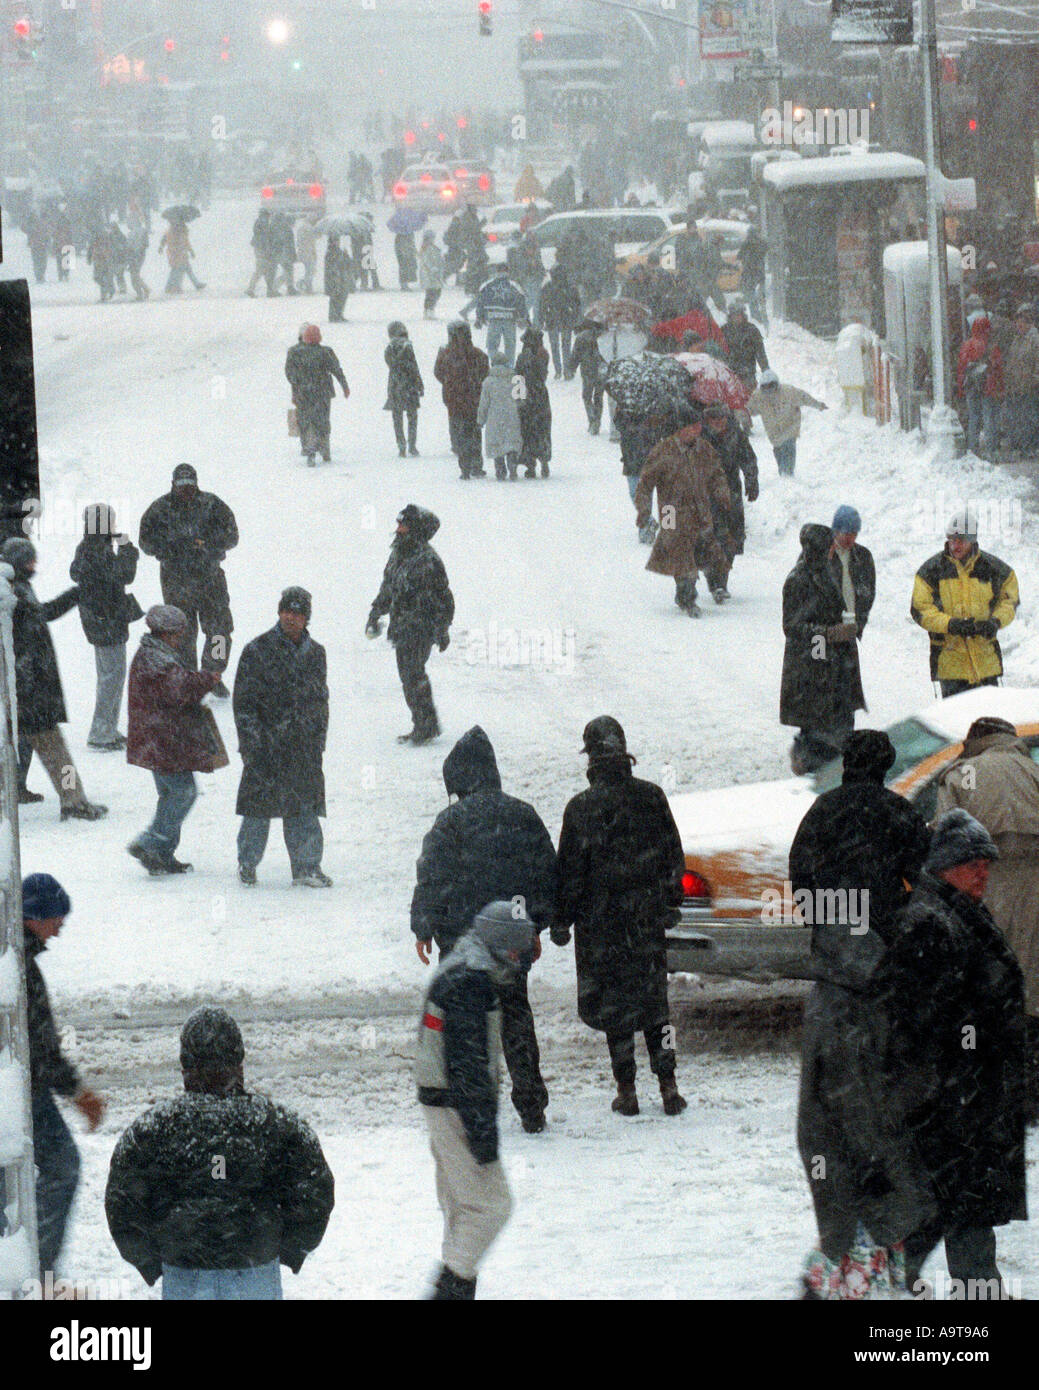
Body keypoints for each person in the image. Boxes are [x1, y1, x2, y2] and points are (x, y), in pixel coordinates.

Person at [789, 732, 932, 1299]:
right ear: (887, 765)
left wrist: (829, 926)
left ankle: (845, 1253)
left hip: (835, 972)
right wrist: (889, 924)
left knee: (833, 1102)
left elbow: (800, 881)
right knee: (880, 1100)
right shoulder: (899, 812)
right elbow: (921, 883)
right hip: (883, 973)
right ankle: (880, 1245)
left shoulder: (821, 811)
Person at [871, 810, 1028, 1297]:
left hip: (962, 1102)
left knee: (946, 1215)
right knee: (959, 1214)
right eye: (972, 862)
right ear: (943, 866)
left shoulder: (958, 912)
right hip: (952, 1105)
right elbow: (927, 1026)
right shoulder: (931, 924)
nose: (984, 871)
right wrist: (960, 1090)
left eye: (987, 862)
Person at [105, 1007, 334, 1300]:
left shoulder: (152, 1130)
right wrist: (288, 1251)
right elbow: (314, 1192)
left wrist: (151, 1262)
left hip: (184, 1276)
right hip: (257, 1272)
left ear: (185, 1066)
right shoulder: (278, 1125)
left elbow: (122, 1203)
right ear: (239, 1062)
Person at [412, 728, 557, 1132]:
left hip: (462, 943)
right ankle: (531, 1105)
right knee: (515, 1018)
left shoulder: (450, 822)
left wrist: (424, 925)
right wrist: (535, 927)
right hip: (510, 941)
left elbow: (432, 876)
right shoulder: (522, 815)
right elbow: (545, 874)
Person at [552, 717, 687, 1117]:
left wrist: (561, 919)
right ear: (624, 752)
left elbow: (569, 873)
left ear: (591, 757)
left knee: (616, 1011)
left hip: (601, 926)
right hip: (644, 920)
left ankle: (626, 1091)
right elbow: (673, 857)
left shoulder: (580, 808)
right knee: (655, 1008)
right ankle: (669, 1087)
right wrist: (669, 900)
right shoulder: (652, 796)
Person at [416, 903, 535, 1299]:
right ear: (501, 946)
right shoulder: (471, 984)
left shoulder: (461, 968)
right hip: (454, 1106)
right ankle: (449, 1291)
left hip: (441, 1101)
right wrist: (482, 1133)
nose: (521, 961)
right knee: (490, 1207)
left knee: (462, 1208)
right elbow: (468, 1067)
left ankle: (456, 1288)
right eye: (518, 952)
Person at [935, 715, 1039, 1120]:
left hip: (984, 883)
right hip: (1035, 888)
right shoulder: (1033, 771)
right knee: (1031, 984)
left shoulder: (962, 774)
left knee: (987, 984)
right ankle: (1032, 1087)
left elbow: (946, 838)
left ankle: (993, 1088)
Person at [18, 875, 105, 1278]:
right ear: (35, 915)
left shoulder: (15, 959)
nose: (60, 927)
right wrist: (78, 1093)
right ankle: (35, 1267)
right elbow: (42, 1048)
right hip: (20, 1091)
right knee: (62, 1165)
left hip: (16, 1085)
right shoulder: (20, 970)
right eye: (56, 918)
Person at [2, 537, 106, 819]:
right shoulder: (14, 592)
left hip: (23, 690)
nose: (34, 564)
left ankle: (20, 791)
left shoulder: (14, 588)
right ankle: (74, 802)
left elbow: (39, 616)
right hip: (31, 690)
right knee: (56, 752)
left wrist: (74, 595)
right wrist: (75, 595)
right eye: (30, 560)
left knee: (24, 746)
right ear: (20, 563)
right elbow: (37, 620)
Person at [234, 588, 331, 888]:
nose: (291, 617)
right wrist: (252, 744)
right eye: (287, 611)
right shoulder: (256, 650)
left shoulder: (316, 653)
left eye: (298, 613)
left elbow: (320, 701)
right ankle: (247, 863)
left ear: (306, 618)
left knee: (303, 809)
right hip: (265, 746)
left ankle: (307, 867)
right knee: (257, 812)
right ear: (279, 612)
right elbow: (244, 704)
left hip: (302, 747)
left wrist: (317, 741)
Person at [126, 605, 223, 875]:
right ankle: (151, 842)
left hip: (158, 738)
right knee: (183, 793)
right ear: (167, 632)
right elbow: (179, 690)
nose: (182, 635)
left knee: (170, 794)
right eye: (179, 631)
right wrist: (206, 680)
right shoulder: (157, 660)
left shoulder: (154, 654)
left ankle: (162, 855)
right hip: (163, 740)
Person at [139, 464, 239, 689]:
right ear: (173, 484)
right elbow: (145, 541)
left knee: (220, 631)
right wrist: (171, 547)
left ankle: (212, 674)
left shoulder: (212, 505)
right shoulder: (159, 509)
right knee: (181, 633)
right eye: (182, 485)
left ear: (197, 484)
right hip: (176, 582)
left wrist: (208, 544)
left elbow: (232, 535)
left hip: (210, 579)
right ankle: (188, 678)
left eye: (190, 485)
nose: (186, 490)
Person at [781, 523, 868, 775]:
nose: (833, 549)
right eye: (829, 545)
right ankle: (811, 765)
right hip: (812, 664)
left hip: (834, 662)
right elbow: (793, 628)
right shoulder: (798, 579)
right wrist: (828, 634)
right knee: (818, 723)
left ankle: (830, 764)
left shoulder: (825, 571)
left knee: (837, 719)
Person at [365, 505, 454, 745]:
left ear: (413, 529)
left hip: (421, 629)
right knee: (410, 676)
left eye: (403, 525)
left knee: (413, 674)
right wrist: (376, 612)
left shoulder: (428, 559)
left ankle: (425, 725)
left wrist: (442, 629)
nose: (398, 529)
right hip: (403, 626)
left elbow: (443, 597)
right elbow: (388, 586)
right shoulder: (398, 554)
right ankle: (425, 723)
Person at [910, 508, 1019, 698]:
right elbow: (920, 609)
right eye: (952, 539)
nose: (955, 545)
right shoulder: (931, 571)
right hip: (950, 669)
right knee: (956, 725)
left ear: (973, 540)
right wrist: (950, 624)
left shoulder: (994, 569)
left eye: (961, 539)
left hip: (987, 666)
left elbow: (1009, 600)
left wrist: (995, 621)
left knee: (989, 724)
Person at [634, 415, 734, 616]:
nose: (695, 431)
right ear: (679, 430)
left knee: (709, 549)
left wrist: (722, 494)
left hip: (699, 508)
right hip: (670, 511)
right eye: (690, 428)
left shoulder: (703, 449)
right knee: (679, 552)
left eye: (697, 427)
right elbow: (645, 484)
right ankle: (686, 597)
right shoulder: (663, 451)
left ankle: (717, 585)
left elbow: (716, 474)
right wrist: (644, 511)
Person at [69, 505, 143, 751]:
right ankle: (101, 734)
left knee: (110, 676)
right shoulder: (98, 550)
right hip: (107, 621)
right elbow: (124, 575)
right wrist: (127, 549)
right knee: (112, 677)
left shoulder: (87, 547)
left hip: (99, 620)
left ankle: (107, 729)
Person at [700, 401, 758, 596]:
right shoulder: (698, 435)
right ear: (707, 419)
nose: (718, 422)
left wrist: (752, 480)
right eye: (714, 418)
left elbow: (748, 457)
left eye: (722, 418)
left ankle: (722, 578)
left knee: (733, 536)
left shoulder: (736, 433)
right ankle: (714, 577)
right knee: (714, 535)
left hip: (731, 490)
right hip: (706, 492)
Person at [284, 324, 350, 465]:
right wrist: (344, 386)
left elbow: (289, 373)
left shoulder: (294, 352)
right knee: (323, 420)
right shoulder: (326, 352)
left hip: (303, 393)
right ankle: (325, 448)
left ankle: (310, 451)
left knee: (307, 421)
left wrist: (298, 383)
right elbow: (336, 370)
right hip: (323, 392)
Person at [434, 320, 489, 480]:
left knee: (458, 429)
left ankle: (464, 464)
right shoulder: (477, 354)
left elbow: (438, 372)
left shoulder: (446, 354)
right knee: (475, 431)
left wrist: (449, 383)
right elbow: (485, 371)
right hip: (474, 398)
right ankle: (477, 465)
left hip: (454, 399)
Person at [746, 369, 826, 477]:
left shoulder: (789, 392)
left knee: (789, 449)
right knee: (779, 452)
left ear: (777, 385)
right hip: (774, 433)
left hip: (790, 428)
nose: (769, 390)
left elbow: (804, 397)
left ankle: (788, 474)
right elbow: (749, 410)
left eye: (772, 386)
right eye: (766, 387)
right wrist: (742, 415)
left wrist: (818, 405)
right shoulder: (758, 397)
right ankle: (783, 475)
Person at [956, 314, 1004, 459]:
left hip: (972, 387)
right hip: (988, 386)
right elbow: (998, 368)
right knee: (989, 417)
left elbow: (961, 368)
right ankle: (991, 449)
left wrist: (960, 388)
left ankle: (973, 449)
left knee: (973, 418)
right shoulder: (991, 346)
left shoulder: (967, 345)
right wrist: (1000, 387)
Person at [477, 350, 524, 479]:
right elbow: (522, 399)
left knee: (497, 444)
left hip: (494, 417)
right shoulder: (516, 379)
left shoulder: (488, 382)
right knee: (511, 442)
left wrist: (480, 420)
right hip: (512, 415)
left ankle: (500, 469)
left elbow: (484, 403)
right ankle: (512, 463)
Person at [1000, 304, 1039, 458]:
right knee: (1019, 417)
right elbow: (1011, 361)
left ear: (1028, 323)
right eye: (1017, 323)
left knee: (1030, 417)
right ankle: (1022, 445)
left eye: (1021, 323)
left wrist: (1035, 379)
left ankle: (1030, 447)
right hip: (1017, 386)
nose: (1018, 326)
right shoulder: (1017, 340)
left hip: (1030, 385)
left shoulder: (1035, 340)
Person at [514, 326, 552, 478]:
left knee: (527, 430)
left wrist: (517, 397)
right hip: (541, 396)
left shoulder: (523, 357)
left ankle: (530, 465)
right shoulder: (543, 355)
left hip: (526, 396)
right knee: (542, 429)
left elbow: (517, 377)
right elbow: (542, 376)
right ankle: (544, 461)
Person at [474, 262, 528, 367]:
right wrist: (523, 317)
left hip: (493, 319)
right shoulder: (514, 286)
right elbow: (521, 302)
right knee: (510, 346)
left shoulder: (487, 285)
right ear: (508, 272)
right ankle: (509, 367)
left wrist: (479, 318)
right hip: (510, 320)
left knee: (492, 346)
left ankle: (495, 365)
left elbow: (480, 302)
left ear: (496, 271)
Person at [384, 321, 423, 458]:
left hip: (395, 386)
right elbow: (414, 367)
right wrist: (420, 384)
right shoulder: (407, 347)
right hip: (410, 386)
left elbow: (392, 365)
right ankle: (412, 446)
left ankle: (401, 446)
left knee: (397, 417)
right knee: (412, 416)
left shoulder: (389, 348)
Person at [539, 262, 581, 379]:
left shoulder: (547, 287)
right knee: (566, 346)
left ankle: (558, 370)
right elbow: (577, 304)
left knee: (554, 346)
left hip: (552, 318)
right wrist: (575, 318)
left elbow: (542, 304)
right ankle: (567, 370)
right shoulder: (570, 287)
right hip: (566, 318)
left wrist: (541, 318)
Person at [570, 315, 606, 434]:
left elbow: (576, 354)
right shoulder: (604, 336)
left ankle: (592, 419)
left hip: (587, 369)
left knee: (587, 396)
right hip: (602, 369)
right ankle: (597, 420)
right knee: (598, 396)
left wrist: (572, 367)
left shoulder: (582, 337)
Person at [723, 300, 768, 393]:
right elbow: (718, 352)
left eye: (739, 315)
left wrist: (766, 369)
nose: (737, 318)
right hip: (729, 374)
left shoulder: (752, 330)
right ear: (730, 316)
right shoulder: (724, 331)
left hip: (748, 375)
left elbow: (760, 353)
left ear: (743, 315)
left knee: (749, 402)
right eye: (734, 315)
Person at [158, 218, 204, 294]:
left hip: (178, 254)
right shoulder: (176, 232)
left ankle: (195, 284)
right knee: (178, 271)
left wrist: (161, 247)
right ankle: (175, 287)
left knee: (183, 270)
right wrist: (190, 251)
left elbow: (165, 240)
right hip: (178, 255)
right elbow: (184, 243)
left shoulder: (173, 231)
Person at [246, 207, 276, 297]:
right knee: (262, 270)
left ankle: (269, 290)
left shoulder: (258, 222)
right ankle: (251, 289)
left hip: (259, 249)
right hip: (263, 250)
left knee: (264, 270)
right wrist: (268, 250)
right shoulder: (264, 222)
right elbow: (266, 237)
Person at [124, 206, 150, 300]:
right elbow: (146, 244)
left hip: (136, 256)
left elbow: (129, 246)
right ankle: (145, 289)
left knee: (134, 276)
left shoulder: (134, 233)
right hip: (137, 256)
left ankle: (140, 293)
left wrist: (135, 251)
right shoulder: (140, 231)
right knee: (135, 275)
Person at [418, 229, 445, 319]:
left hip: (434, 274)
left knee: (433, 293)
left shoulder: (432, 247)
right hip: (430, 275)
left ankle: (428, 311)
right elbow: (426, 260)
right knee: (433, 293)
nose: (433, 239)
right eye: (432, 237)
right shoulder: (426, 248)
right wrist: (432, 268)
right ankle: (429, 311)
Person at [324, 233, 350, 323]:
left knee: (342, 296)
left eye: (337, 240)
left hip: (341, 277)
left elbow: (347, 263)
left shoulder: (339, 251)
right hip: (334, 278)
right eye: (335, 240)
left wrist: (346, 255)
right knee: (335, 296)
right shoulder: (330, 253)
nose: (337, 242)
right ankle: (333, 315)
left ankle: (339, 314)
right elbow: (332, 266)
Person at [295, 215, 318, 295]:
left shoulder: (302, 228)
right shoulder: (309, 228)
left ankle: (307, 286)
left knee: (309, 270)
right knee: (310, 271)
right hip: (308, 252)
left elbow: (299, 241)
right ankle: (306, 286)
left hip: (303, 252)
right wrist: (313, 253)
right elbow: (312, 242)